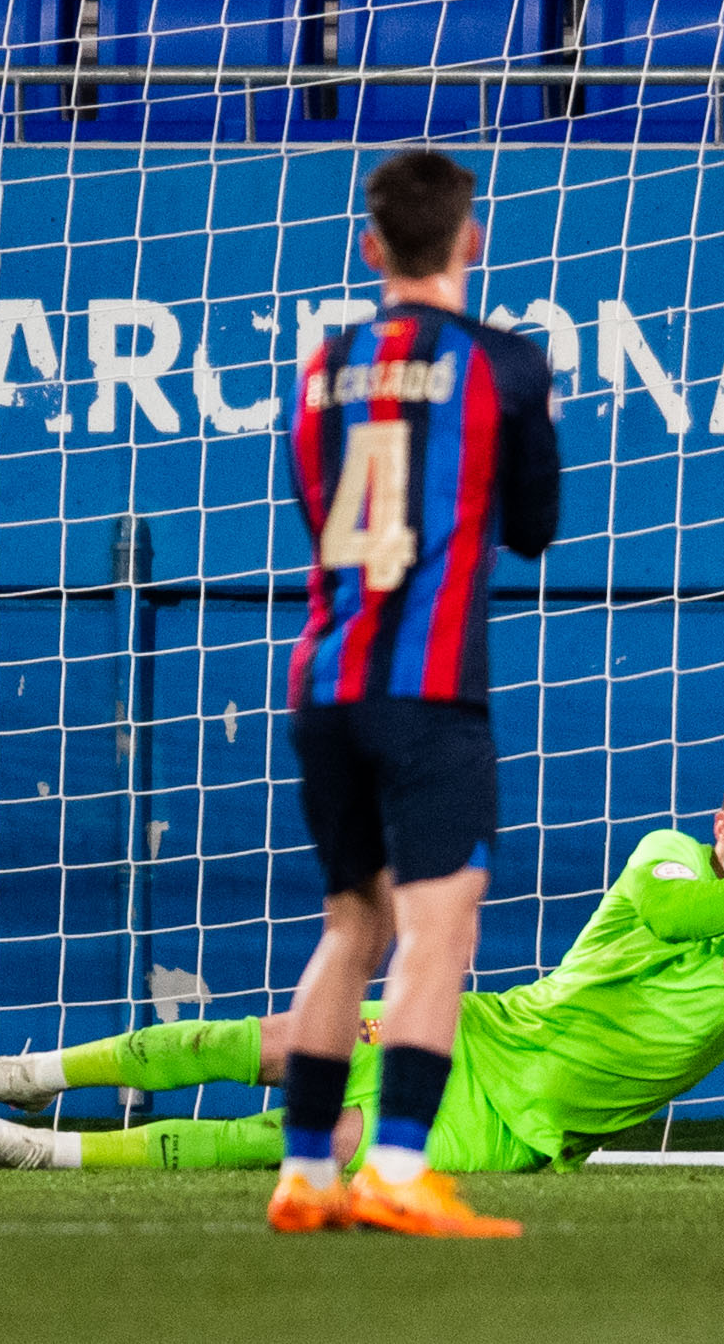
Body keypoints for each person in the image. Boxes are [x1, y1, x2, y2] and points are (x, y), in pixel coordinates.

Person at [0, 764, 724, 1178]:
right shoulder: (666, 857)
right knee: (266, 1046)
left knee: (301, 1138)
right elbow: (678, 911)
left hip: (519, 1125)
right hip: (484, 1029)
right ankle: (28, 1075)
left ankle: (51, 1157)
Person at [268, 149, 560, 1238]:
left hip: (325, 676)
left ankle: (304, 1172)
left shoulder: (322, 365)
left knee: (351, 924)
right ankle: (394, 1166)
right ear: (470, 240)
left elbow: (311, 501)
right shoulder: (506, 365)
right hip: (431, 690)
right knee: (439, 930)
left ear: (370, 247)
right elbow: (533, 530)